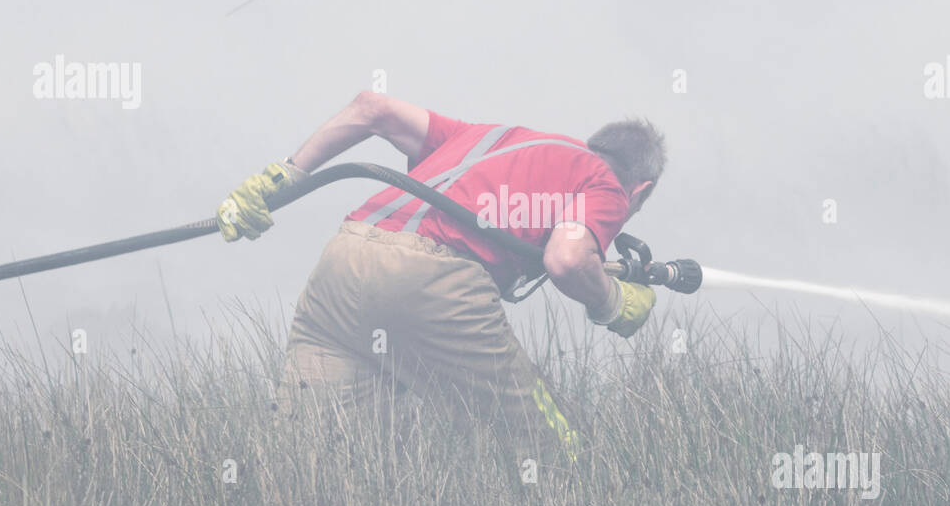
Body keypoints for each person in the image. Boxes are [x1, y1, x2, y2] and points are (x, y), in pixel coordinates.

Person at [217, 91, 664, 461]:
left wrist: (284, 177)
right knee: (550, 452)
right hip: (429, 280)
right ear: (640, 191)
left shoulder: (491, 138)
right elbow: (567, 259)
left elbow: (373, 109)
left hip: (343, 262)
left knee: (312, 459)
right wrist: (613, 303)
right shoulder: (605, 183)